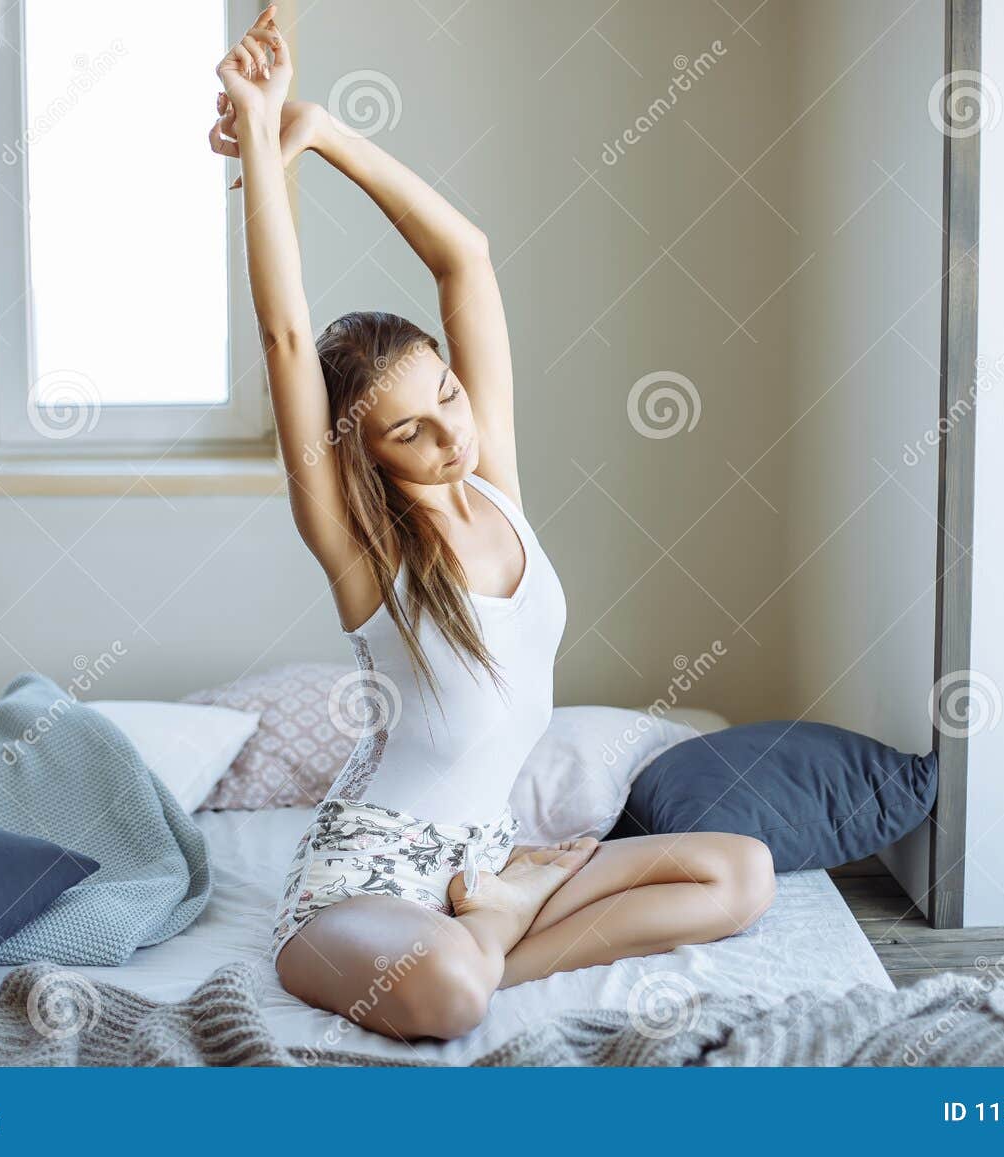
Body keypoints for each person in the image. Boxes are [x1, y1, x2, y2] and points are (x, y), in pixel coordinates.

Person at [211, 5, 776, 1043]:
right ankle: (492, 934)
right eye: (410, 432)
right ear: (363, 453)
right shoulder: (364, 556)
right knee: (450, 994)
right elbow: (289, 335)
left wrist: (324, 130)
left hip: (487, 860)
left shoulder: (498, 483)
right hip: (363, 888)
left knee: (739, 870)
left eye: (452, 400)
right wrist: (254, 135)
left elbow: (463, 255)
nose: (450, 438)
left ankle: (500, 919)